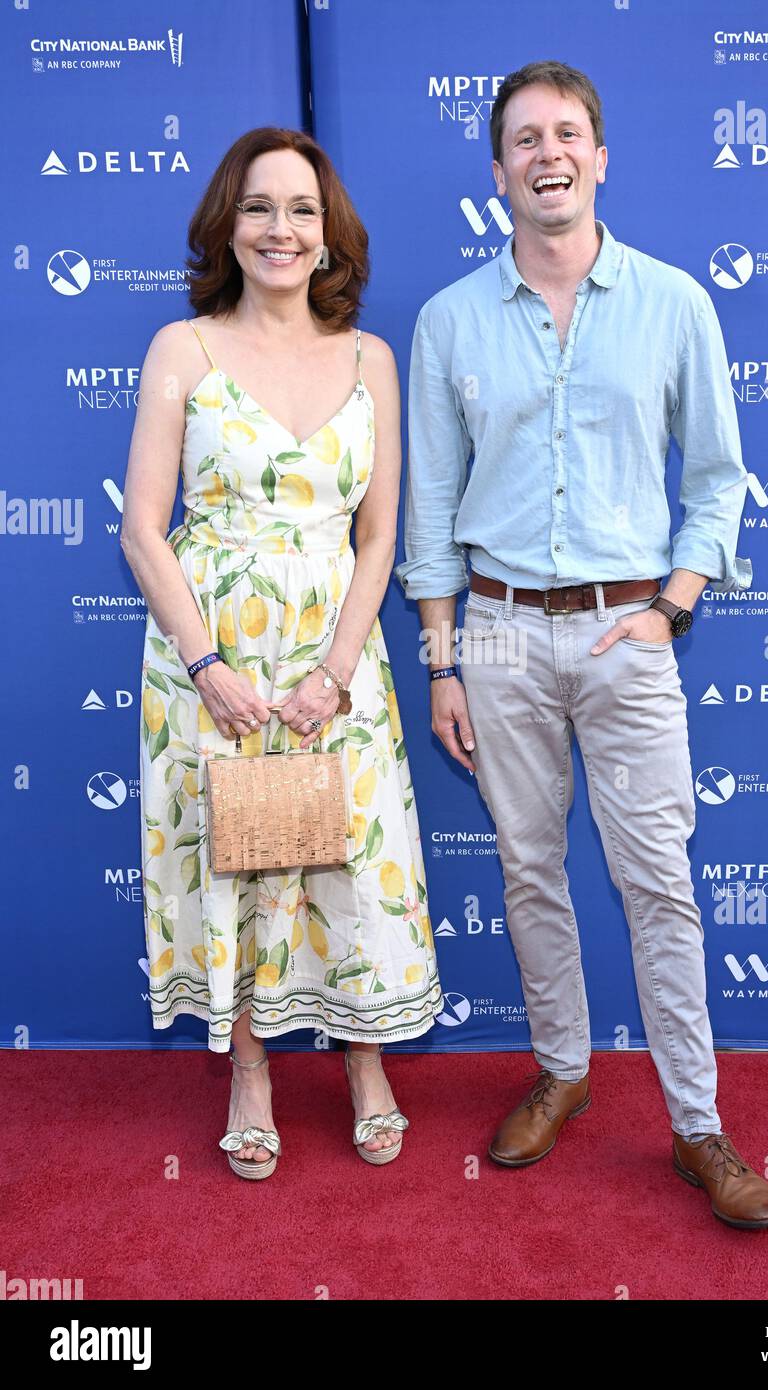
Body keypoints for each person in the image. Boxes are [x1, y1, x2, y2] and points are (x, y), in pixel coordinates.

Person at [395, 62, 768, 1228]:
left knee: (658, 882)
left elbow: (717, 479)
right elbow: (429, 506)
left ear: (600, 156)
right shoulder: (449, 319)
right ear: (500, 167)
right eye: (524, 138)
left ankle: (699, 1126)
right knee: (527, 870)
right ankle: (561, 1068)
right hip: (500, 630)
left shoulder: (674, 302)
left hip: (628, 633)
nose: (546, 153)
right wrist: (442, 655)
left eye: (567, 133)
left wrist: (668, 608)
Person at [122, 127, 441, 1179]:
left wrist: (337, 670)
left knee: (343, 858)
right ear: (228, 224)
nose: (280, 229)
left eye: (301, 209)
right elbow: (141, 526)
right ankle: (250, 1070)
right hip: (208, 661)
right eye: (259, 207)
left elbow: (380, 533)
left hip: (333, 658)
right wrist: (208, 665)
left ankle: (364, 1063)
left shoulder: (369, 359)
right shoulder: (184, 349)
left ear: (329, 231)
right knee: (242, 858)